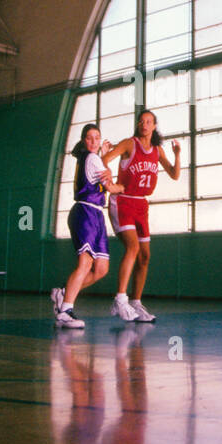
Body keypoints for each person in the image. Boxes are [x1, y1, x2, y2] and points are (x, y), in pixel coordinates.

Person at [100, 110, 180, 322]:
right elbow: (104, 159)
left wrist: (178, 155)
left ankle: (135, 302)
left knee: (145, 257)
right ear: (138, 125)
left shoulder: (157, 150)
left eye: (148, 122)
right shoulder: (129, 144)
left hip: (141, 205)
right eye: (141, 121)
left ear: (154, 126)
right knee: (133, 247)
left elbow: (174, 174)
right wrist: (110, 183)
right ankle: (120, 299)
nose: (144, 124)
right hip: (123, 200)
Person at [51, 124, 125, 329]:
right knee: (85, 263)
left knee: (101, 269)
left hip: (96, 214)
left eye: (97, 138)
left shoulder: (94, 159)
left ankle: (64, 293)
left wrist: (105, 156)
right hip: (85, 212)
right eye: (90, 138)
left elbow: (104, 177)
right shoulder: (92, 158)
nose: (94, 141)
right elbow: (110, 185)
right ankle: (65, 310)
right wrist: (123, 186)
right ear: (84, 140)